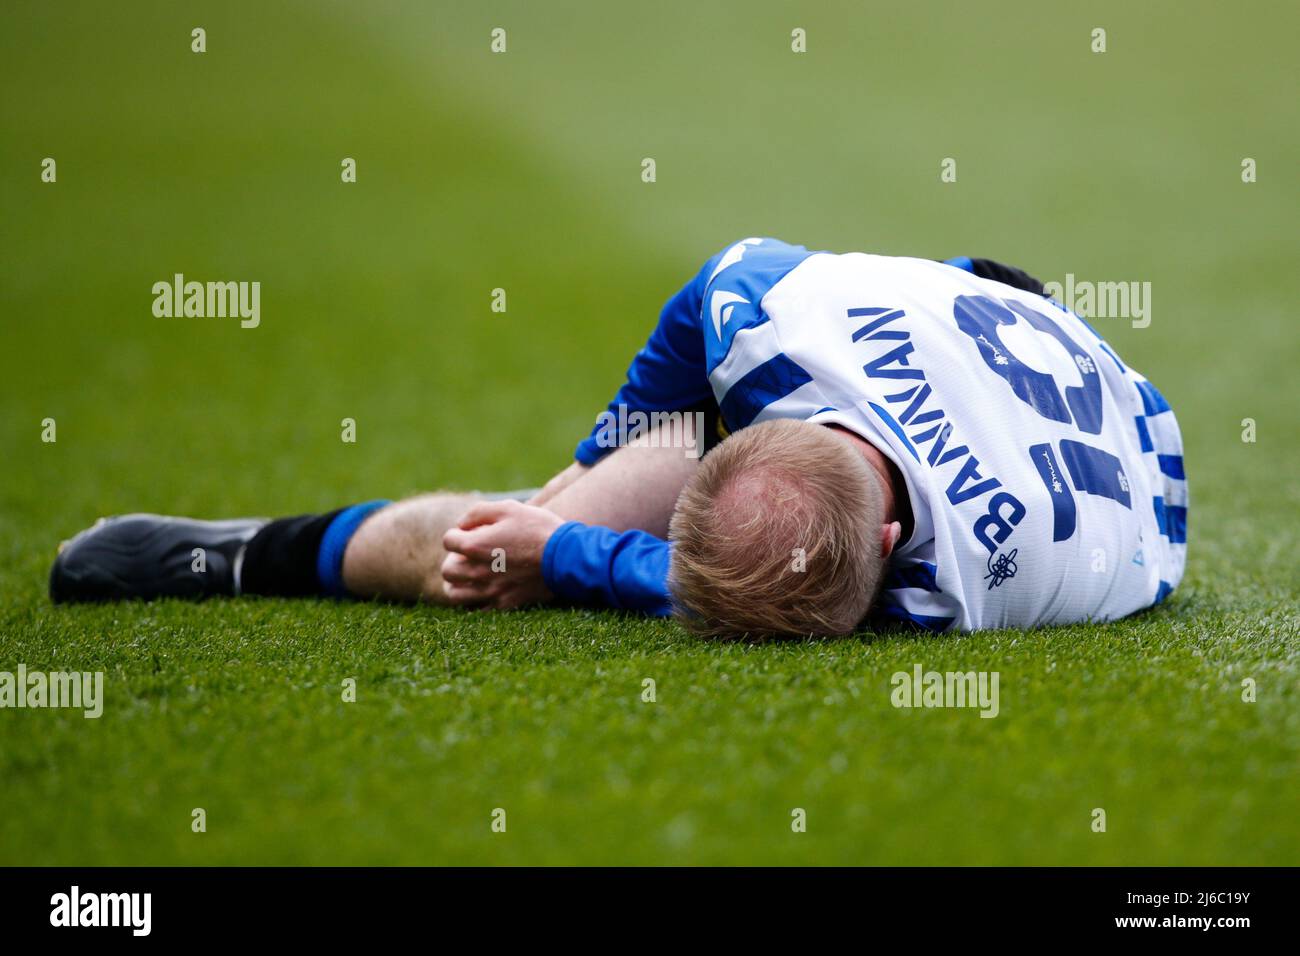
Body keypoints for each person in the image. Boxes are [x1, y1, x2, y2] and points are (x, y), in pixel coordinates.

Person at [50, 238, 1188, 636]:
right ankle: (266, 546)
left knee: (513, 558)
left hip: (1110, 410)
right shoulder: (760, 318)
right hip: (986, 318)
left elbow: (697, 587)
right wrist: (602, 459)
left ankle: (257, 551)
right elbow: (703, 292)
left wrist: (568, 548)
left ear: (895, 545)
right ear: (743, 425)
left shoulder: (954, 587)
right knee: (534, 527)